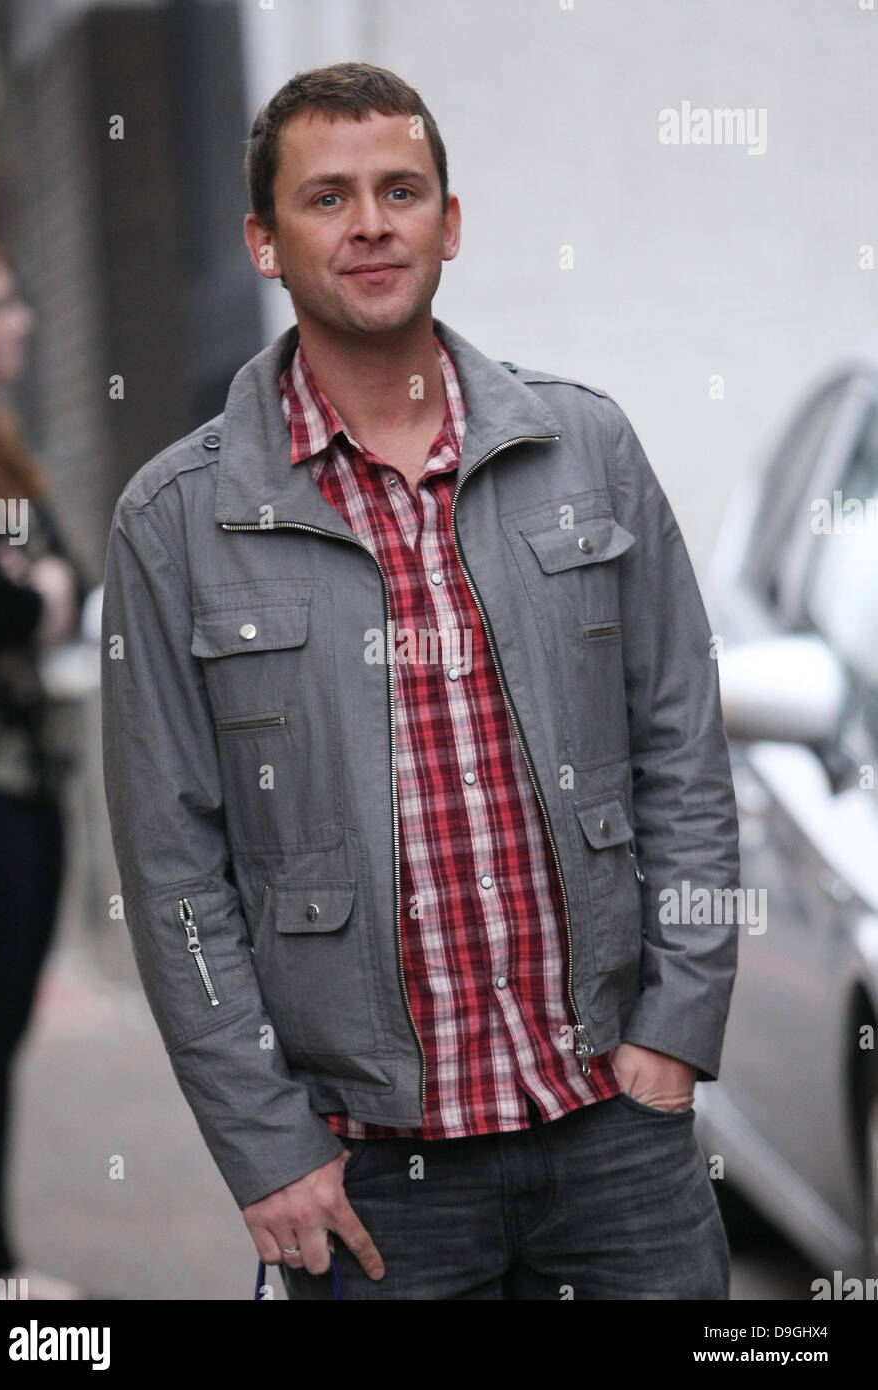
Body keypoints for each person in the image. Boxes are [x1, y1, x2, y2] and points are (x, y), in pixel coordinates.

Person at [100, 62, 741, 1301]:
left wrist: (679, 1022)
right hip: (367, 1175)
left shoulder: (585, 448)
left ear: (450, 222)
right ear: (263, 243)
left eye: (401, 190)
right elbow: (174, 872)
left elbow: (684, 754)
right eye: (327, 199)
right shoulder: (175, 521)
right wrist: (265, 1147)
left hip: (613, 1124)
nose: (372, 224)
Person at [0, 229, 87, 1297]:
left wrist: (35, 589)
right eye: (1, 303)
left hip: (18, 787)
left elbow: (67, 576)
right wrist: (26, 591)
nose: (23, 321)